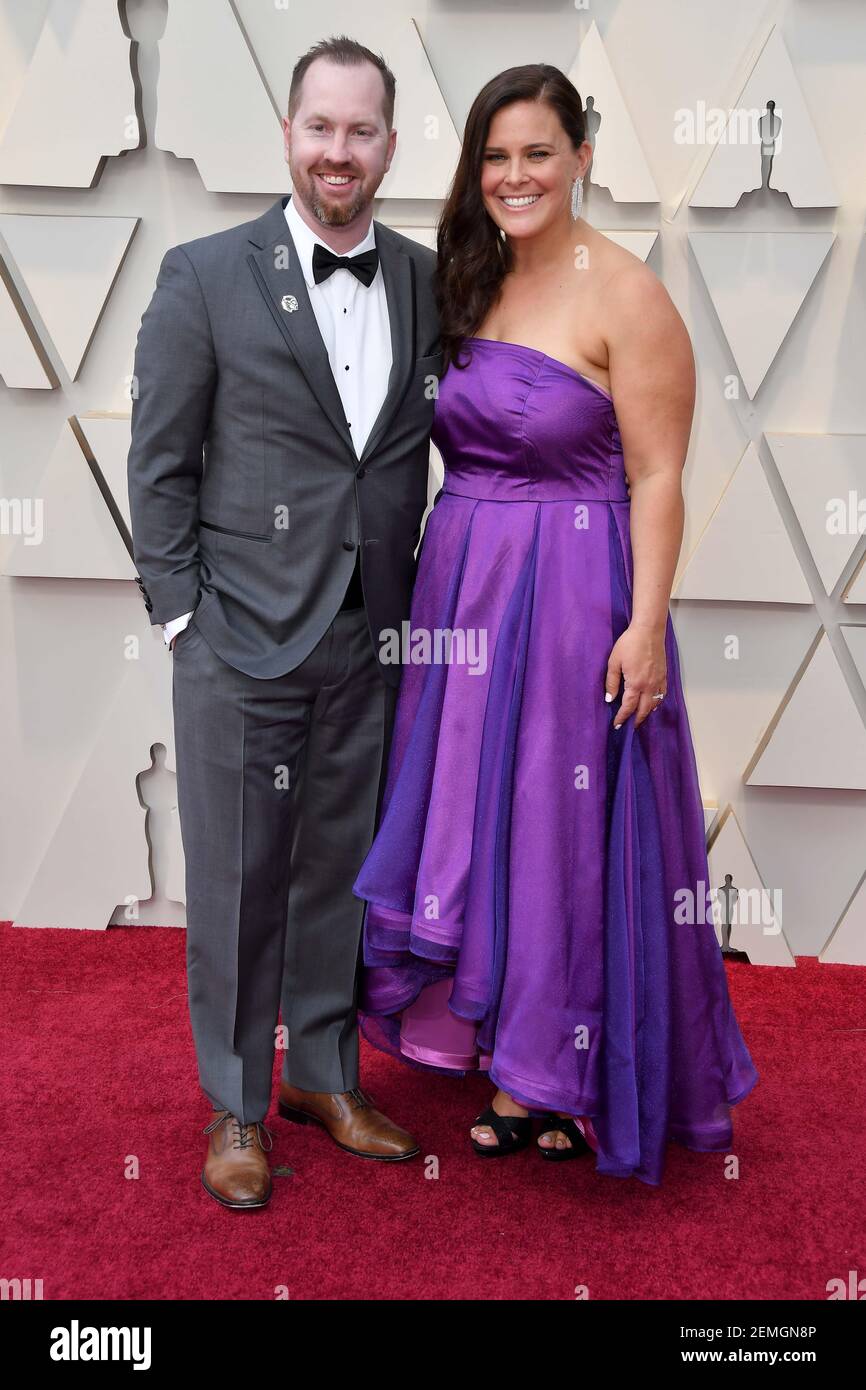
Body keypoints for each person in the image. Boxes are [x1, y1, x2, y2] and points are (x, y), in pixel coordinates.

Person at [352, 63, 758, 1186]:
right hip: (464, 590)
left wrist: (646, 623)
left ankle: (567, 1076)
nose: (514, 174)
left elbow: (661, 474)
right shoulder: (467, 281)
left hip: (579, 600)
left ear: (581, 157)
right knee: (483, 826)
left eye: (537, 152)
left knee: (562, 831)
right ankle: (514, 1055)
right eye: (494, 155)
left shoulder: (625, 291)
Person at [127, 36, 442, 1208]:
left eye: (362, 132)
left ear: (390, 147)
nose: (339, 152)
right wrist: (181, 624)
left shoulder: (421, 280)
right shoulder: (204, 275)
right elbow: (156, 465)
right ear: (288, 134)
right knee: (237, 883)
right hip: (237, 644)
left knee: (339, 876)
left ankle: (321, 1072)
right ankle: (234, 1106)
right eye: (321, 128)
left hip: (371, 639)